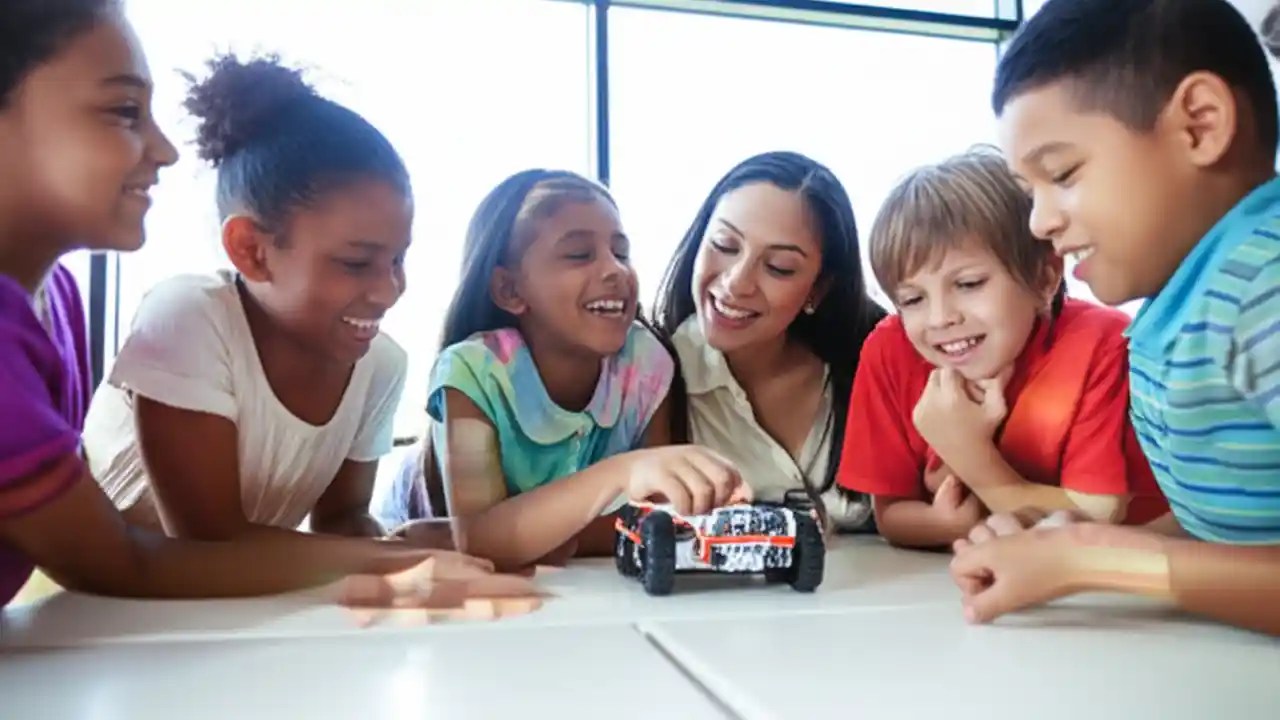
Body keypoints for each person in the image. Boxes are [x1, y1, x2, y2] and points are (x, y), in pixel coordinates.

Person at [0, 0, 537, 614]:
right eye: (123, 111)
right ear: (250, 252)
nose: (166, 150)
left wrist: (411, 546)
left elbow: (338, 520)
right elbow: (124, 558)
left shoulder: (55, 301)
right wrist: (393, 564)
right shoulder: (185, 317)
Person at [950, 0, 1280, 637]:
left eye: (1063, 174)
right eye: (1030, 194)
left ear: (1200, 125)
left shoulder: (1260, 279)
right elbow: (1238, 522)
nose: (1039, 222)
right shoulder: (1187, 299)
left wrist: (1103, 562)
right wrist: (1083, 541)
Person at [382, 169, 747, 570]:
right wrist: (622, 474)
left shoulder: (645, 364)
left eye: (621, 252)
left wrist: (537, 539)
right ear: (510, 290)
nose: (615, 271)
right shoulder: (473, 373)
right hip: (409, 558)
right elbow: (483, 542)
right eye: (579, 255)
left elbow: (657, 519)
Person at [837, 147, 1165, 550]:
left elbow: (1098, 515)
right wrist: (950, 525)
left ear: (1045, 278)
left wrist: (970, 456)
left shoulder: (1102, 344)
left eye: (969, 284)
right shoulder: (890, 350)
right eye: (912, 299)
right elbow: (891, 515)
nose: (940, 318)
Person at [653, 152, 884, 532]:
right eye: (725, 245)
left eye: (778, 267)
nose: (736, 283)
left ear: (819, 288)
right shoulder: (655, 375)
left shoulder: (873, 364)